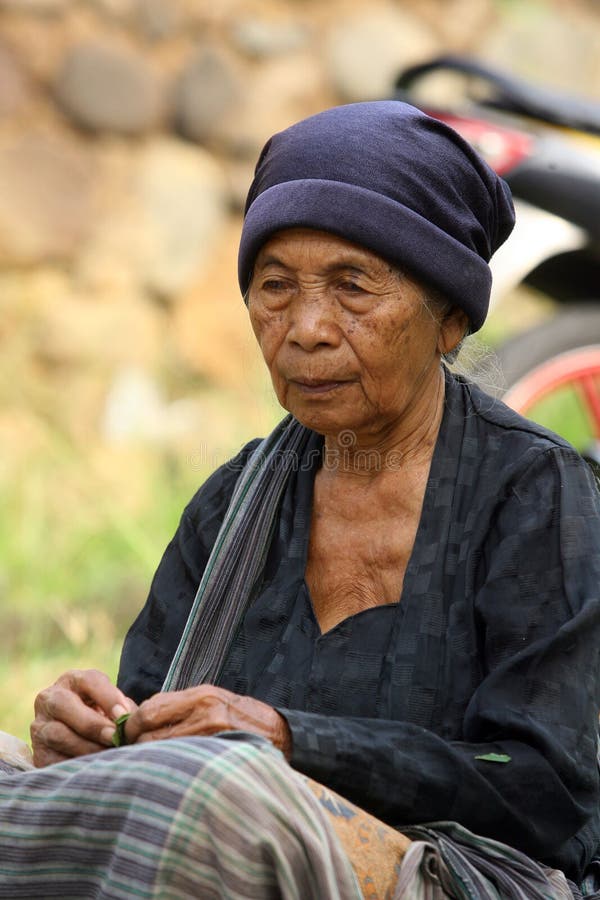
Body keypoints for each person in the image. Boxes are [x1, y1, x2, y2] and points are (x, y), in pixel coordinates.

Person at [1, 100, 599, 900]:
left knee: (221, 802)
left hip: (463, 873)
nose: (307, 327)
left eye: (353, 286)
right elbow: (152, 740)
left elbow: (545, 793)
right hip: (215, 840)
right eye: (274, 286)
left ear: (450, 319)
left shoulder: (536, 495)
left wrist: (290, 743)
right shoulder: (230, 508)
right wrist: (88, 736)